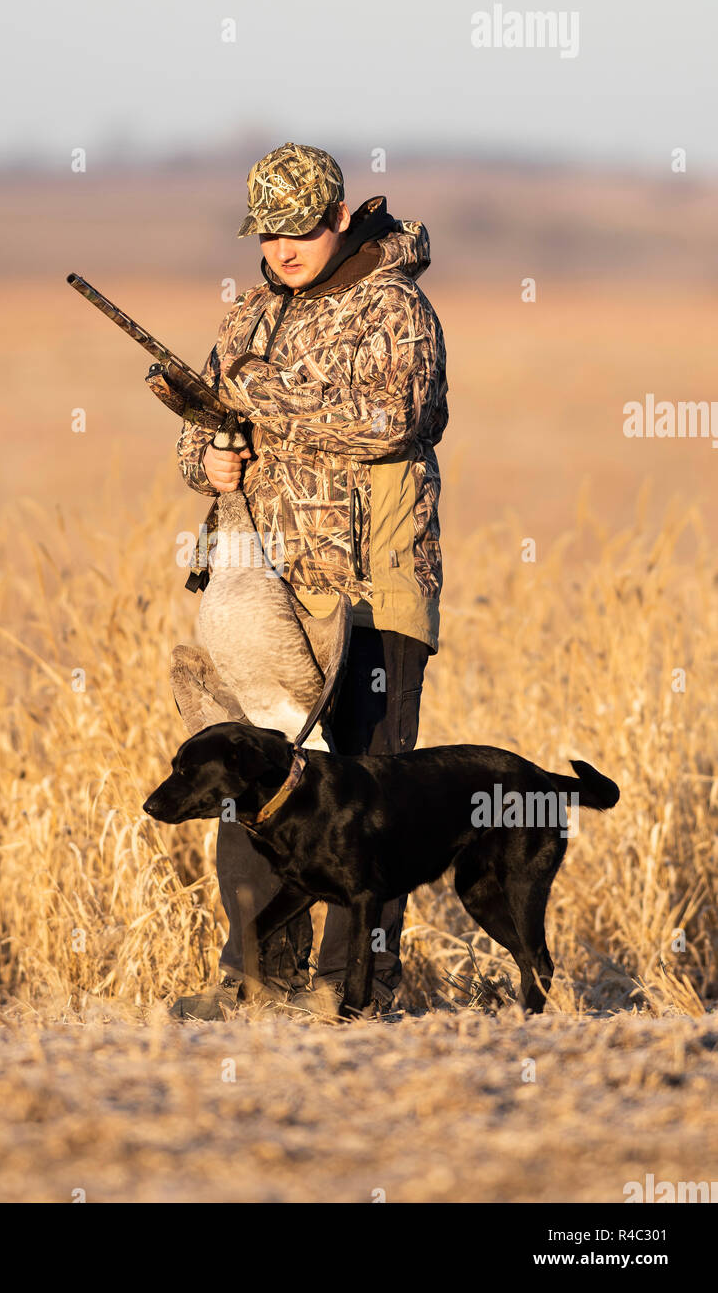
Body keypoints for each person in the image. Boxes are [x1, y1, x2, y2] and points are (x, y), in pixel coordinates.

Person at [172, 142, 448, 1019]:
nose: (283, 248)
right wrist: (209, 458)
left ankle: (350, 993)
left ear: (338, 218)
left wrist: (259, 392)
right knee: (250, 792)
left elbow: (394, 420)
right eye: (267, 232)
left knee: (366, 800)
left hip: (370, 588)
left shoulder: (393, 307)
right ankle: (255, 980)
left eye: (300, 229)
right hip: (262, 594)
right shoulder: (246, 316)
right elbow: (200, 425)